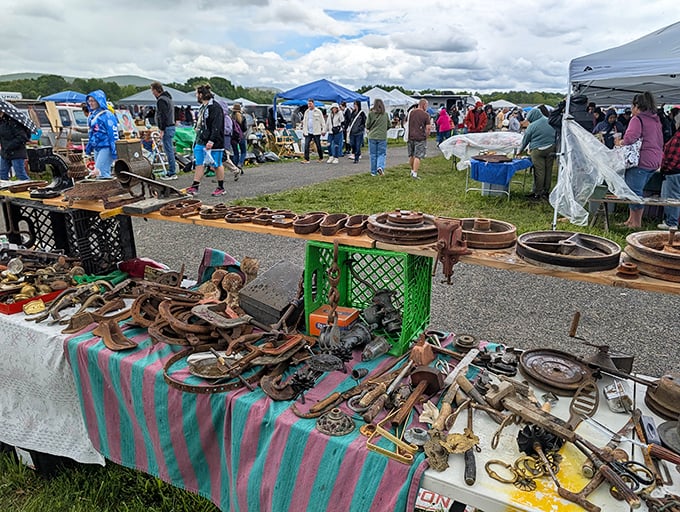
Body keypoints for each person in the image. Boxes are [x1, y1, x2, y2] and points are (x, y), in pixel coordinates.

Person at [614, 91, 664, 228]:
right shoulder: (655, 120)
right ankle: (631, 220)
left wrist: (620, 142)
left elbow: (631, 138)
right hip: (654, 161)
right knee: (637, 189)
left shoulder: (637, 119)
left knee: (634, 192)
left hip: (641, 161)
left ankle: (636, 224)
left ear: (636, 105)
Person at [186, 84, 227, 197]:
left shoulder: (215, 107)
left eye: (197, 94)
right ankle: (195, 186)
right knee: (199, 163)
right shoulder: (202, 107)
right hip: (201, 140)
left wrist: (212, 140)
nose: (196, 97)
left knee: (217, 164)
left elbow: (217, 125)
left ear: (201, 95)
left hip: (215, 141)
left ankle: (221, 187)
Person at [518, 108, 556, 200]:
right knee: (548, 171)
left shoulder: (532, 126)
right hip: (552, 148)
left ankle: (537, 193)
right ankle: (546, 192)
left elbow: (525, 140)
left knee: (539, 171)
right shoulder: (550, 121)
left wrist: (520, 150)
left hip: (538, 150)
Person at [84, 89, 118, 178]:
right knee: (100, 173)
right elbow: (92, 133)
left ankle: (108, 190)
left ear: (99, 101)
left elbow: (113, 133)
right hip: (97, 147)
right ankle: (105, 190)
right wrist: (89, 146)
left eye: (93, 101)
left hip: (106, 146)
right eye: (89, 101)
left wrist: (114, 150)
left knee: (101, 172)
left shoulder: (108, 115)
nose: (90, 103)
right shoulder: (92, 115)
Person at [150, 81, 177, 180]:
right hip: (171, 126)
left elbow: (163, 116)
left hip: (166, 128)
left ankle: (172, 172)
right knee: (169, 150)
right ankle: (172, 170)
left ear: (156, 90)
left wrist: (161, 129)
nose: (152, 93)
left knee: (168, 150)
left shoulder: (161, 100)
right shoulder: (168, 99)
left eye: (152, 90)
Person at [658, 129, 680, 229]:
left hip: (674, 172)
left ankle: (671, 223)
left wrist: (664, 169)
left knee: (671, 198)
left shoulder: (677, 138)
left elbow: (671, 157)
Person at [0, 110, 31, 181]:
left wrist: (9, 146)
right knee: (2, 174)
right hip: (5, 152)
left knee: (20, 174)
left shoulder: (13, 122)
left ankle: (30, 188)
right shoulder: (2, 122)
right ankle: (5, 190)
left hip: (17, 152)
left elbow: (22, 137)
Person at [407, 98, 431, 179]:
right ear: (424, 105)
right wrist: (426, 136)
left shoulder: (411, 112)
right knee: (418, 156)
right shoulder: (425, 115)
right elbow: (428, 128)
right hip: (420, 137)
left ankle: (412, 170)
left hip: (410, 136)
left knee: (411, 155)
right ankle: (415, 173)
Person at [366, 98, 390, 176]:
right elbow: (389, 125)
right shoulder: (385, 114)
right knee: (381, 154)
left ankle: (373, 172)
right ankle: (380, 167)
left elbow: (367, 125)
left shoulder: (370, 114)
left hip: (372, 136)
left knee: (373, 154)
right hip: (382, 137)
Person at [301, 98, 325, 163]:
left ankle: (321, 157)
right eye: (308, 104)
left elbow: (322, 121)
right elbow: (304, 122)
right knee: (306, 145)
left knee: (318, 145)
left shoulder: (318, 111)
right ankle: (306, 159)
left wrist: (323, 130)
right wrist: (304, 131)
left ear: (313, 104)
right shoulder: (306, 112)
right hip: (308, 131)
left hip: (316, 131)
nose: (309, 105)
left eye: (310, 104)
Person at [230, 103, 247, 170]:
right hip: (241, 136)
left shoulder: (230, 117)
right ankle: (240, 163)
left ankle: (236, 168)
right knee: (243, 152)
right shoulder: (242, 117)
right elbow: (245, 128)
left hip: (233, 137)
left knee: (235, 153)